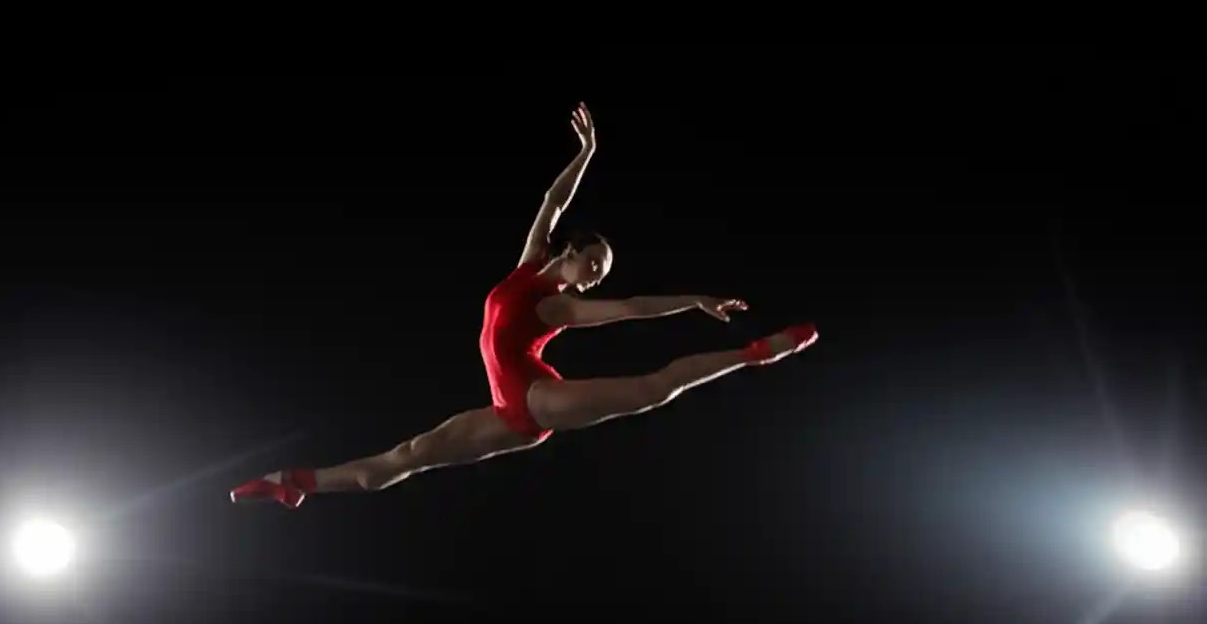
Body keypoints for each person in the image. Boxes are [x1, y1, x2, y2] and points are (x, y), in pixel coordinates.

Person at [230, 102, 817, 508]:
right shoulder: (531, 265)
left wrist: (695, 301)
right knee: (398, 459)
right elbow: (552, 201)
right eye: (592, 266)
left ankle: (754, 352)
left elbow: (632, 307)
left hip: (537, 396)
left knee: (653, 388)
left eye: (599, 276)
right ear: (569, 252)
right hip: (503, 408)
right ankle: (291, 482)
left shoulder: (556, 305)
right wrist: (586, 152)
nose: (593, 280)